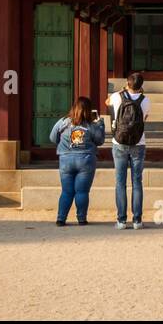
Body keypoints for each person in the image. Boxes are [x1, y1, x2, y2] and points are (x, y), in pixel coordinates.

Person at [50, 96, 106, 226]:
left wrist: (64, 144)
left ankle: (61, 218)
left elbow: (52, 138)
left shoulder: (63, 122)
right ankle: (81, 218)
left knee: (66, 191)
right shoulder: (91, 125)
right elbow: (99, 141)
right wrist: (101, 125)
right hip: (86, 159)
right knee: (82, 191)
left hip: (66, 159)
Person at [106, 71, 150, 230]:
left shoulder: (117, 97)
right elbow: (144, 119)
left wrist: (122, 90)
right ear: (141, 85)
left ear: (127, 83)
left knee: (120, 182)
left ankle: (121, 220)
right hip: (139, 143)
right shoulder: (146, 100)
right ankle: (137, 220)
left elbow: (107, 102)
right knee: (137, 182)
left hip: (119, 142)